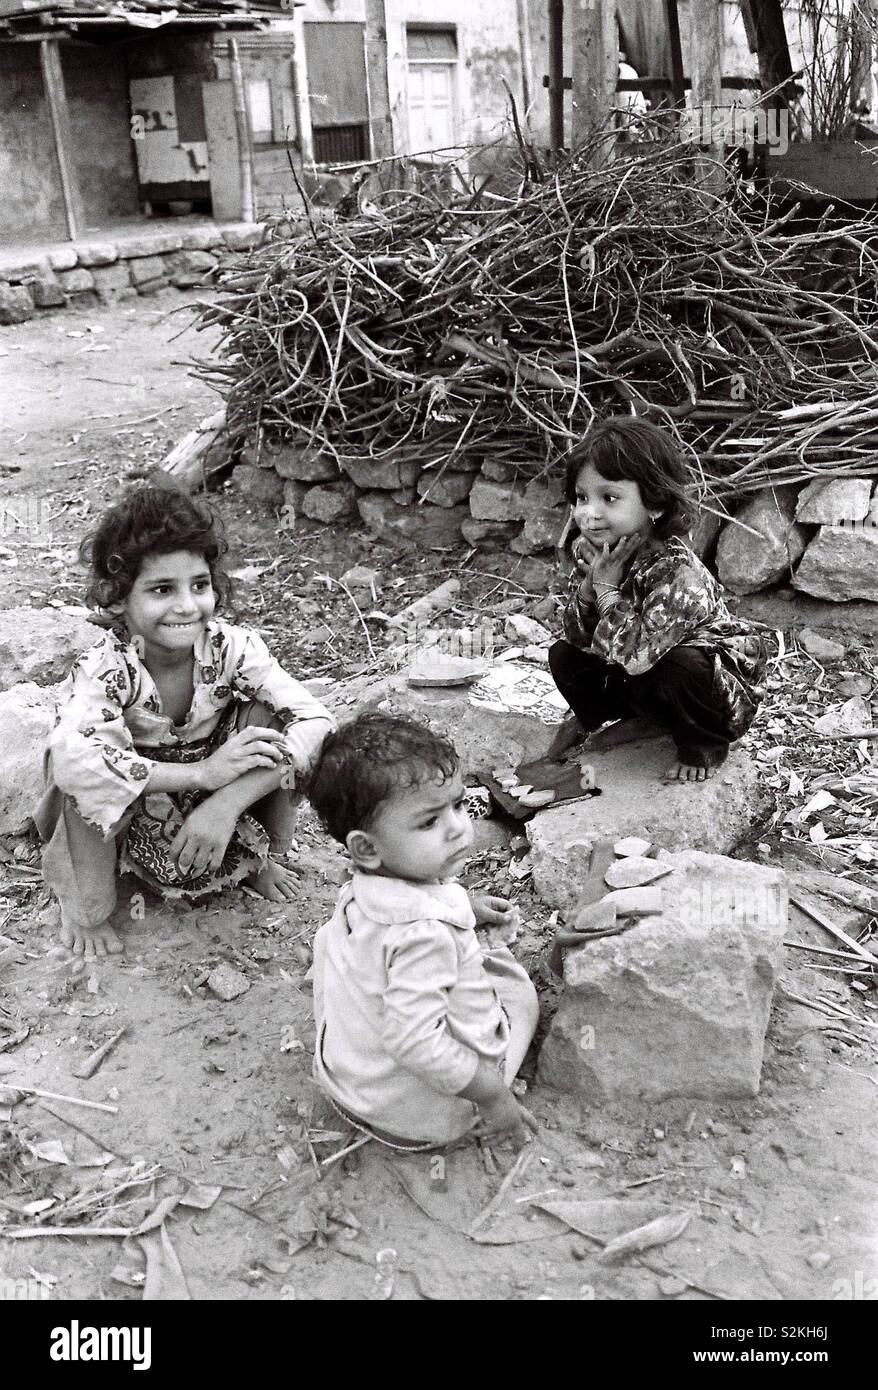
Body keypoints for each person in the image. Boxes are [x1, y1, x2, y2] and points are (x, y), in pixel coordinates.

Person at [35, 486, 334, 958]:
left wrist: (226, 801)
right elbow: (76, 764)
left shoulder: (232, 647)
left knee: (274, 719)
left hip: (211, 796)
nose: (188, 606)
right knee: (82, 777)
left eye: (199, 584)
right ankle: (86, 905)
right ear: (117, 597)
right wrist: (200, 773)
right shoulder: (106, 669)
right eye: (161, 589)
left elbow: (316, 719)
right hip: (138, 806)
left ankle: (256, 857)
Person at [308, 712, 539, 1151]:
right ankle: (466, 1102)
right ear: (367, 848)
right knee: (517, 992)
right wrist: (492, 1095)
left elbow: (398, 926)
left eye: (457, 804)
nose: (457, 828)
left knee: (330, 942)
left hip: (351, 1085)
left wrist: (464, 906)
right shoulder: (427, 936)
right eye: (429, 821)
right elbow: (415, 1041)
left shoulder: (361, 887)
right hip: (424, 1116)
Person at [545, 416, 768, 783]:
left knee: (680, 667)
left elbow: (636, 657)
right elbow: (577, 636)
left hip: (707, 694)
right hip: (643, 677)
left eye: (609, 498)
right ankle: (628, 720)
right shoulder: (604, 554)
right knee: (563, 655)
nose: (589, 513)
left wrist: (605, 590)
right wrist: (588, 590)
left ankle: (703, 746)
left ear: (655, 505)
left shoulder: (677, 572)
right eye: (581, 498)